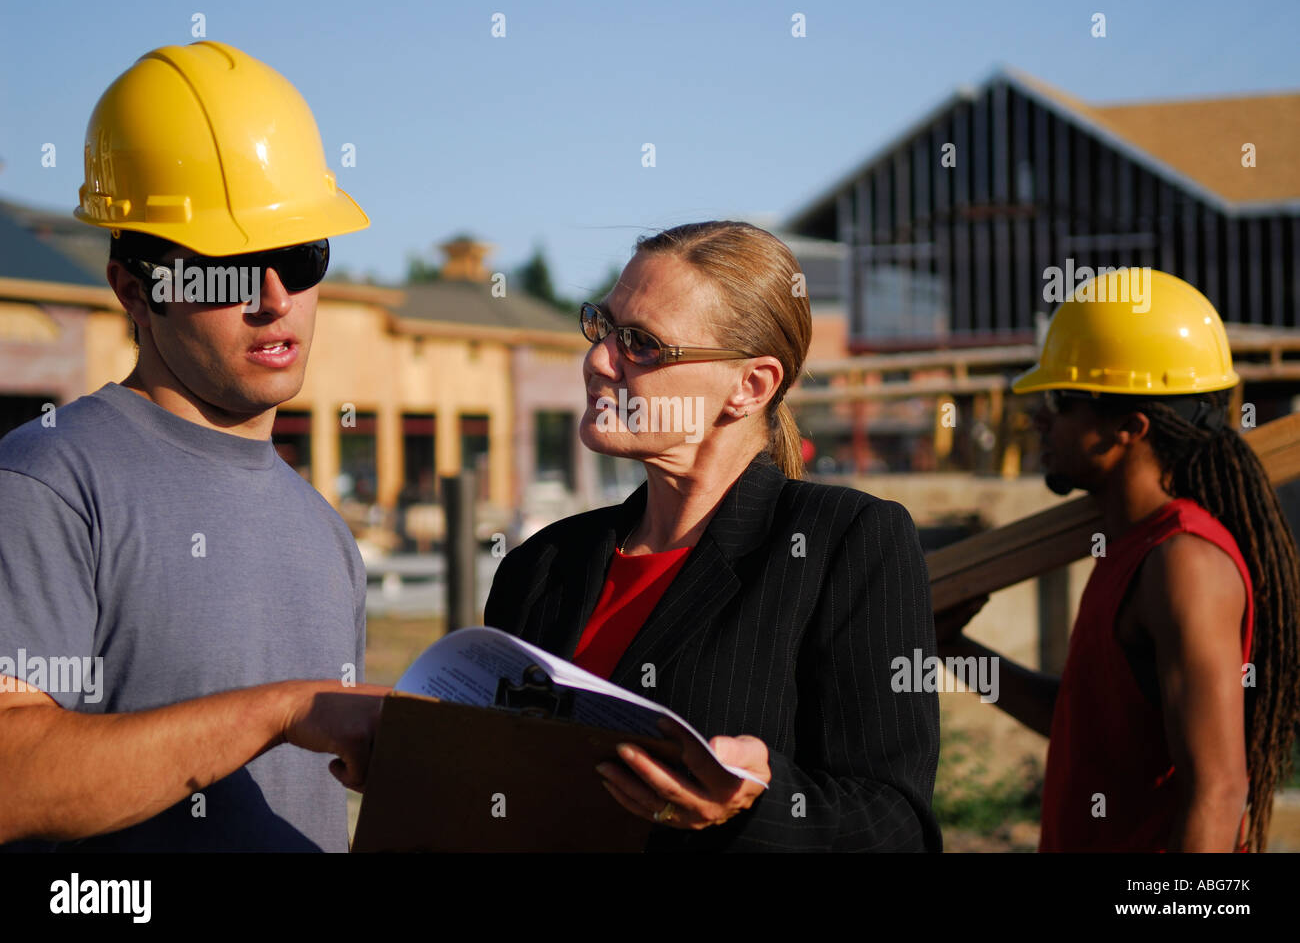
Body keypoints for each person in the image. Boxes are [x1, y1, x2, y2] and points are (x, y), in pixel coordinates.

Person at [0, 41, 390, 851]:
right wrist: (281, 713)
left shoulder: (323, 531)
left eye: (297, 254)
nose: (274, 298)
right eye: (226, 269)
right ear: (132, 290)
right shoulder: (47, 483)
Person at [484, 221, 942, 851]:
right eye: (603, 326)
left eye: (641, 344)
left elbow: (897, 826)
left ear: (750, 386)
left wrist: (758, 805)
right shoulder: (541, 565)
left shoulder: (846, 544)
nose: (597, 360)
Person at [937, 269, 1300, 852]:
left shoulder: (1184, 563)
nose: (1038, 418)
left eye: (1061, 400)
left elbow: (1218, 789)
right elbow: (1085, 724)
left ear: (1131, 426)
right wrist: (952, 646)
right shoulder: (1129, 545)